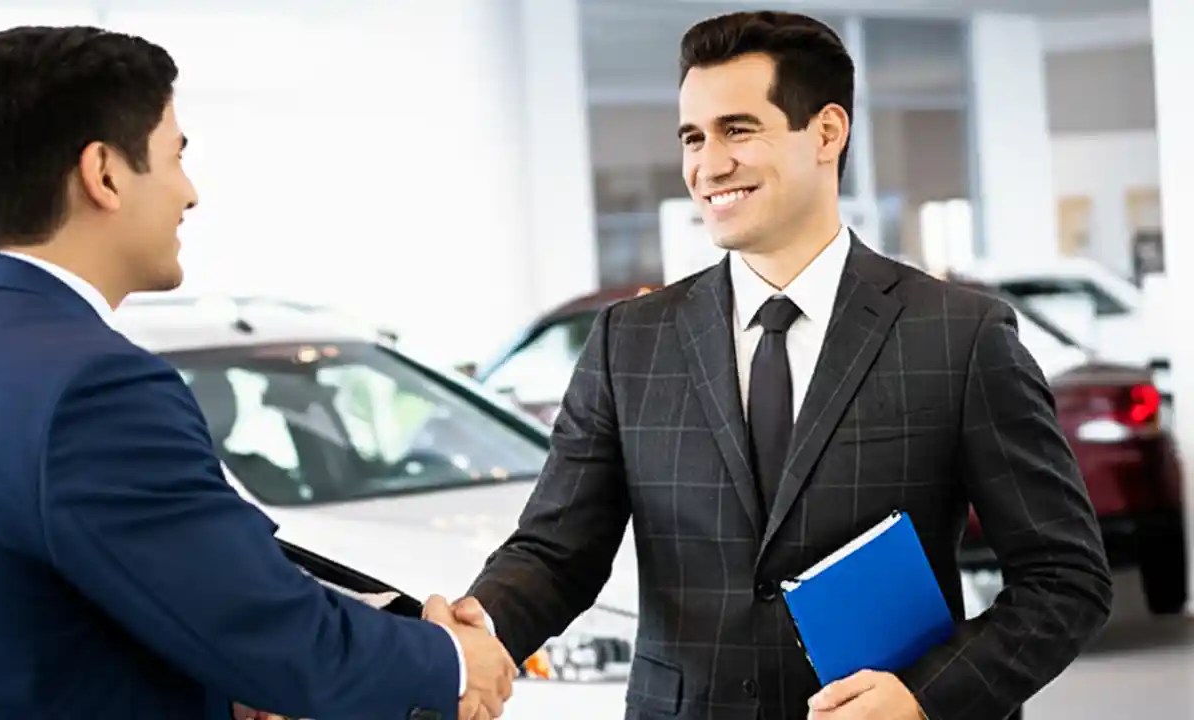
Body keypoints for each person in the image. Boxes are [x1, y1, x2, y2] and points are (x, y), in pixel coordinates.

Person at [451, 11, 1112, 720]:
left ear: (827, 132)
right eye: (693, 138)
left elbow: (1064, 577)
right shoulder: (629, 343)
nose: (707, 165)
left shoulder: (959, 335)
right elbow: (556, 551)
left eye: (738, 130)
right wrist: (474, 639)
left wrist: (926, 698)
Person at [0, 25, 515, 720]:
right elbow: (264, 626)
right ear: (104, 173)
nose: (190, 193)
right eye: (175, 157)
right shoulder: (96, 388)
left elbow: (30, 621)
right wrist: (448, 662)